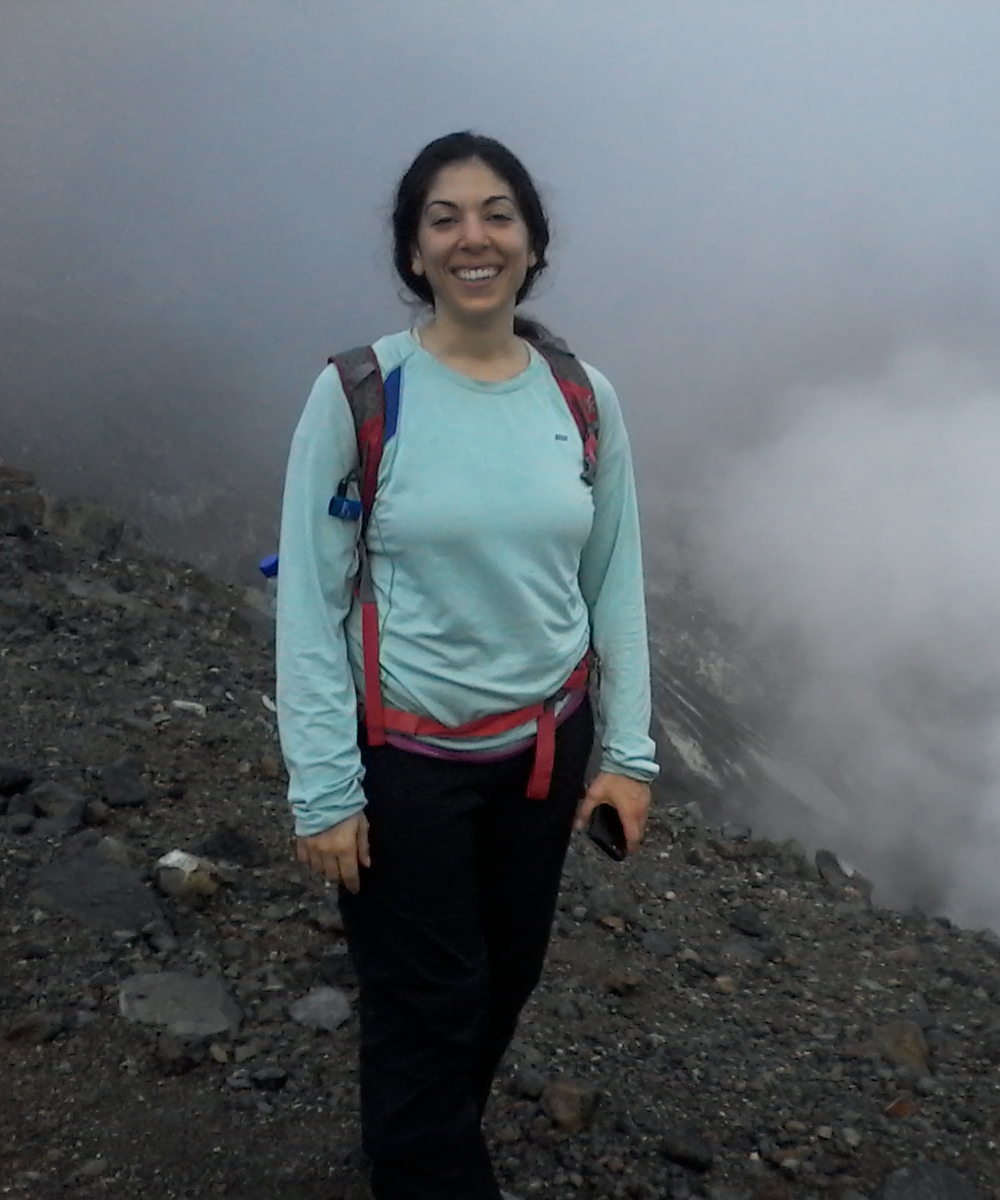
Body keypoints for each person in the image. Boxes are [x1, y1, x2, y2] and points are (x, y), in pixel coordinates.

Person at [274, 130, 657, 1200]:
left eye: (497, 214)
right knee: (430, 999)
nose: (472, 237)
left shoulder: (580, 397)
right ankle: (426, 1160)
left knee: (499, 986)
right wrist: (322, 789)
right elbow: (311, 600)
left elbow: (613, 575)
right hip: (409, 766)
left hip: (542, 753)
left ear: (533, 244)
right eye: (442, 219)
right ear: (411, 253)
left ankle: (417, 1141)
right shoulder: (359, 393)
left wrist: (627, 756)